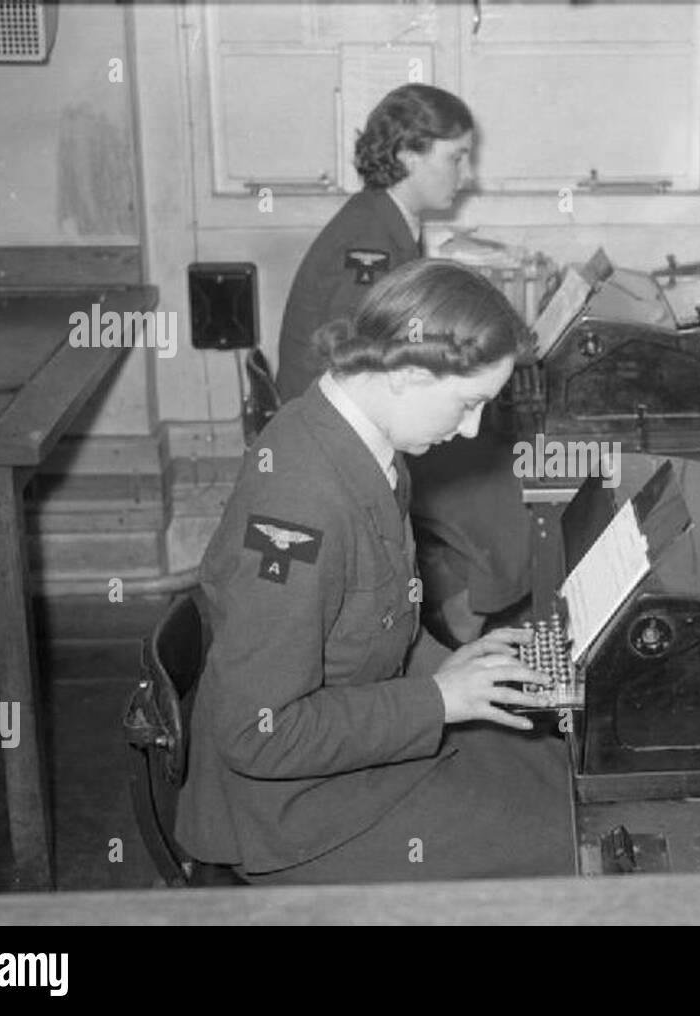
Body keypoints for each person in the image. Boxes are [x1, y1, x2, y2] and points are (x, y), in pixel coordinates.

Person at [176, 260, 576, 884]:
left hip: (351, 753)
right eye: (469, 404)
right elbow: (258, 733)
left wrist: (450, 667)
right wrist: (439, 699)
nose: (471, 430)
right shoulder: (300, 509)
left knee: (564, 778)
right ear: (409, 374)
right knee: (573, 849)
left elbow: (380, 623)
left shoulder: (370, 443)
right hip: (292, 814)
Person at [276, 83, 530, 648]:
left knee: (499, 450)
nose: (465, 175)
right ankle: (464, 632)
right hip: (336, 442)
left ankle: (458, 616)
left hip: (354, 421)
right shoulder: (369, 244)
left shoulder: (385, 222)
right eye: (455, 156)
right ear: (409, 154)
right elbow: (357, 366)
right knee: (511, 483)